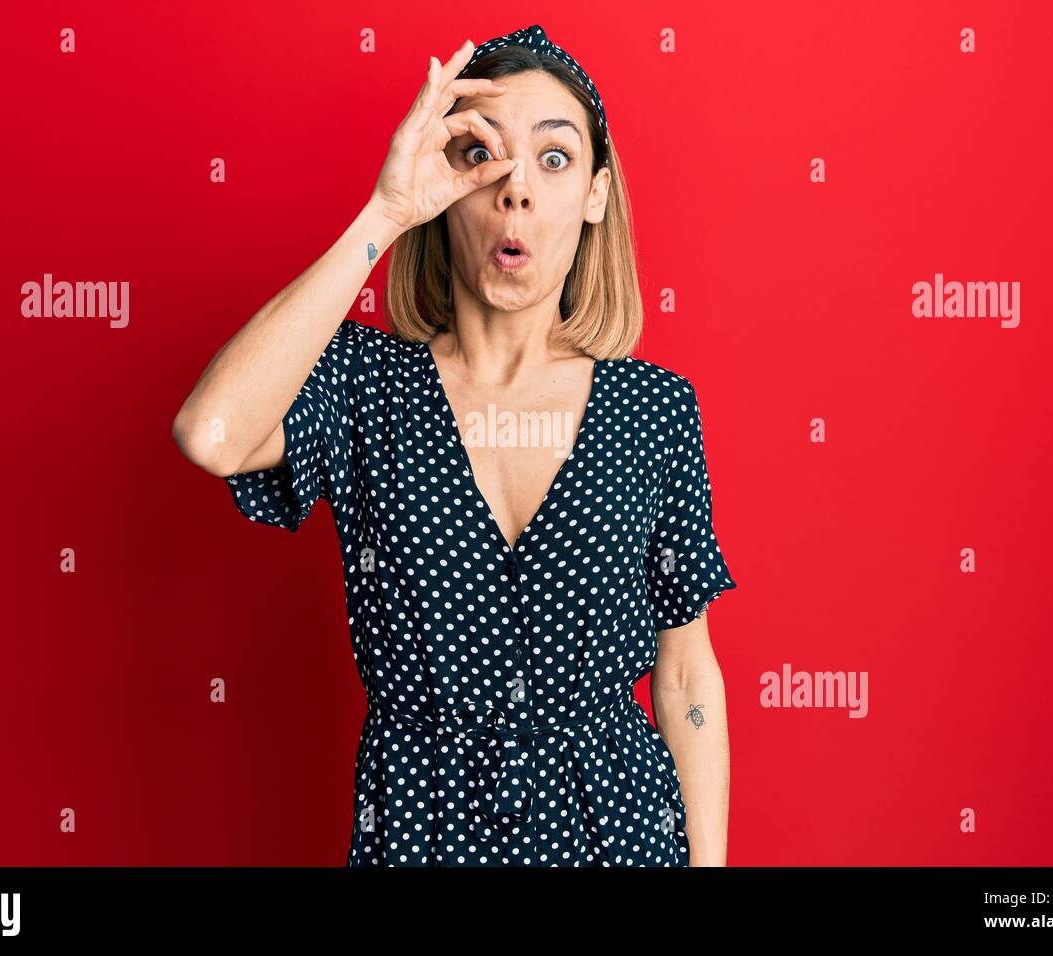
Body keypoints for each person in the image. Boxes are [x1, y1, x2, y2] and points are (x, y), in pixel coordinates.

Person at [173, 25, 737, 866]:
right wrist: (387, 211)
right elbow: (210, 434)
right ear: (448, 189)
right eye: (481, 156)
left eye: (554, 159)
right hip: (422, 830)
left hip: (619, 832)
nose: (515, 190)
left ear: (594, 195)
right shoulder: (364, 382)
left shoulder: (655, 410)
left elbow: (687, 677)